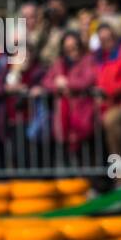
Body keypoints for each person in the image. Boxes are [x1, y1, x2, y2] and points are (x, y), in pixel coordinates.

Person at [40, 30, 99, 158]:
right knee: (68, 153)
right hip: (64, 113)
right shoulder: (59, 63)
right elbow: (46, 82)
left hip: (83, 112)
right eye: (68, 48)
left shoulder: (88, 60)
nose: (72, 51)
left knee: (87, 152)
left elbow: (88, 80)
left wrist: (66, 83)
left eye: (74, 47)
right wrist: (57, 84)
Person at [95, 22, 121, 183]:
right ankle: (104, 182)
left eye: (108, 38)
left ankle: (119, 179)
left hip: (120, 105)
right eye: (102, 39)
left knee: (113, 138)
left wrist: (107, 91)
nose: (106, 41)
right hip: (100, 107)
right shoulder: (97, 55)